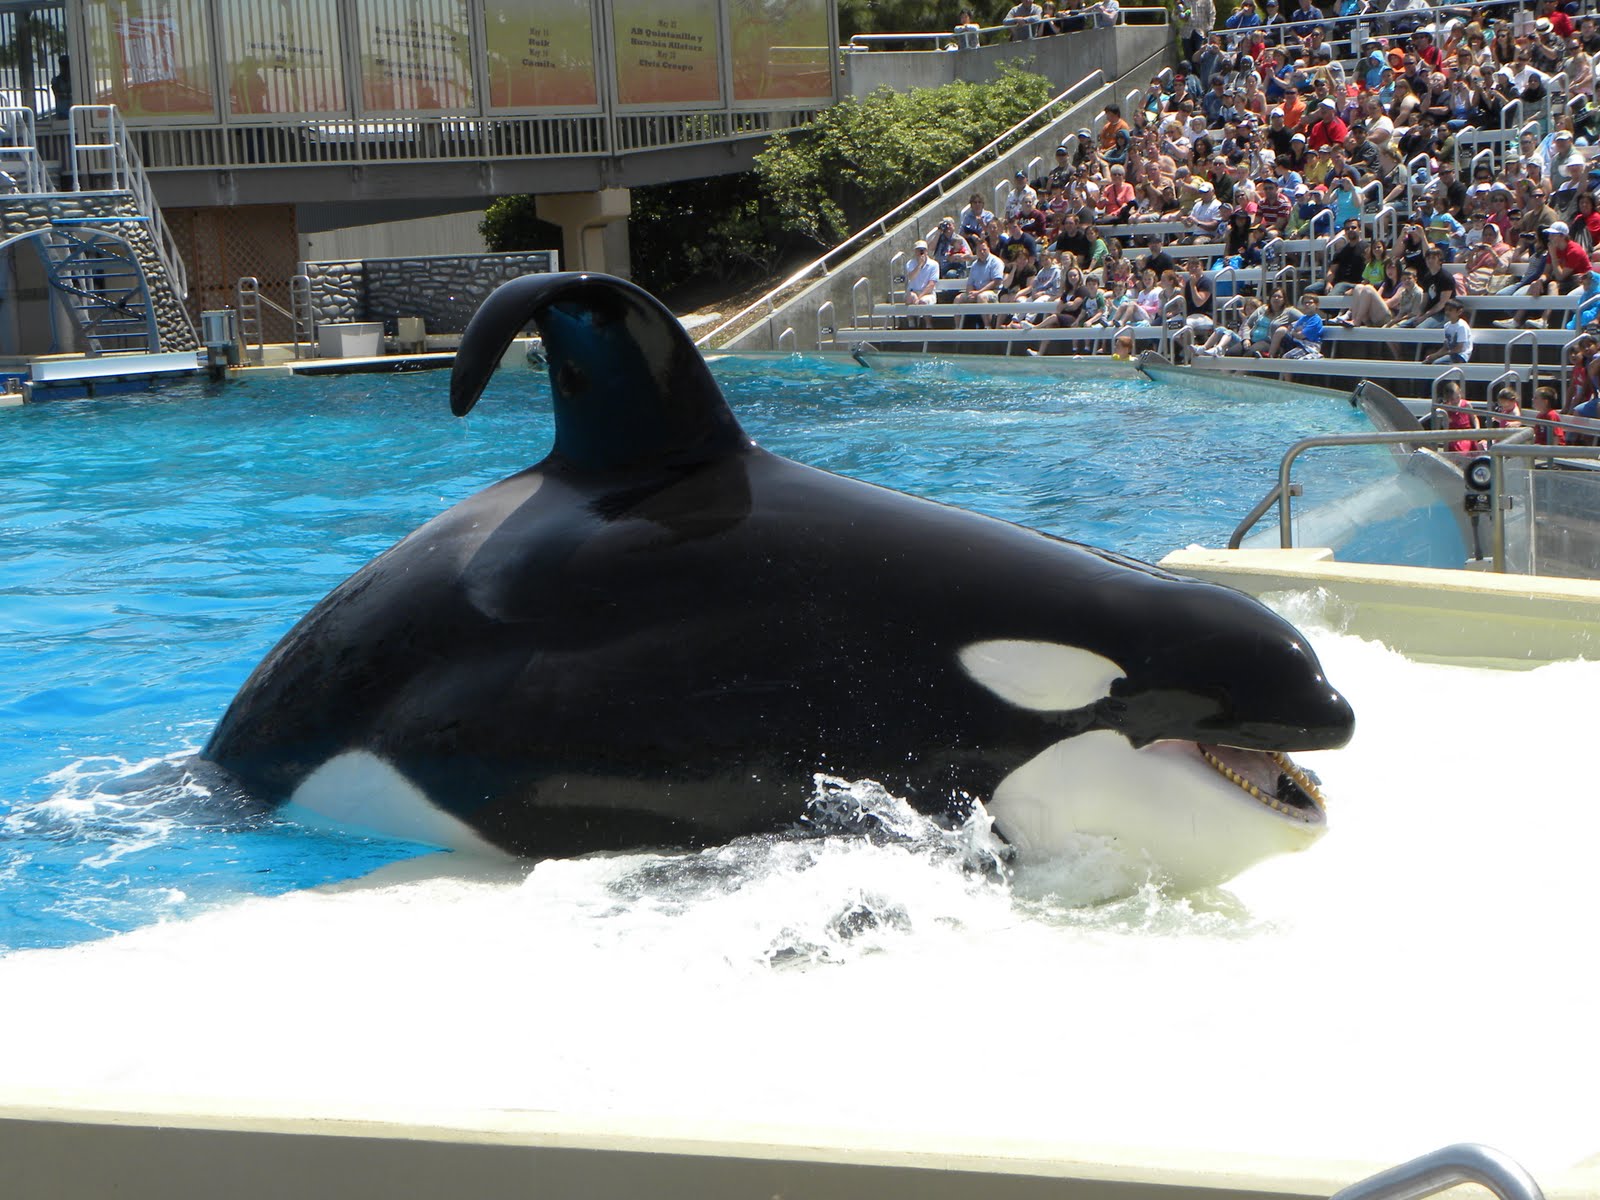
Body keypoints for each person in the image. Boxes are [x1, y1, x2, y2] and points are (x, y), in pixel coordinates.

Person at [1271, 293, 1324, 358]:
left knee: (1286, 357)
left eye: (1310, 303)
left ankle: (1275, 356)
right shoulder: (1303, 318)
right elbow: (1292, 330)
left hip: (1309, 346)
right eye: (1305, 303)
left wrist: (1297, 332)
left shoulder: (1316, 320)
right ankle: (1271, 355)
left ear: (1317, 305)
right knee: (1281, 331)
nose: (1307, 305)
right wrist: (1296, 332)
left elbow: (1301, 335)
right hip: (1298, 343)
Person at [1423, 299, 1473, 364]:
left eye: (1450, 310)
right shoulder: (1447, 326)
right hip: (1450, 353)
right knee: (1428, 362)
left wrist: (1439, 355)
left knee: (1437, 363)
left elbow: (1459, 349)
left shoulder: (1461, 326)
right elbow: (1446, 347)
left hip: (1460, 356)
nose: (1447, 312)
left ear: (1459, 312)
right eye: (1446, 310)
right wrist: (1434, 355)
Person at [903, 241, 940, 319]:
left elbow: (931, 284)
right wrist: (919, 265)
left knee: (923, 301)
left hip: (928, 293)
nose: (921, 252)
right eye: (918, 250)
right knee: (910, 297)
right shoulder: (910, 264)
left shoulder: (934, 265)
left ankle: (928, 325)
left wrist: (919, 297)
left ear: (927, 251)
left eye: (923, 250)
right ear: (915, 251)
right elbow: (911, 277)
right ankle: (911, 323)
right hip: (913, 292)